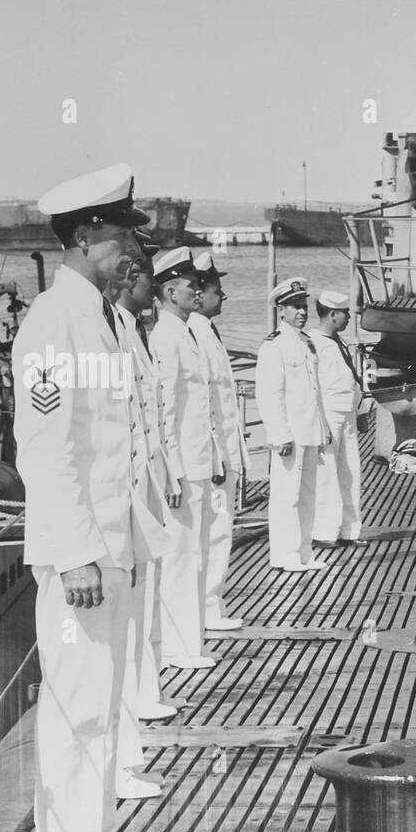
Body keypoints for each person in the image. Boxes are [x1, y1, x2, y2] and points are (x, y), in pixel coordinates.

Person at [12, 163, 167, 832]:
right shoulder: (52, 321)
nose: (127, 249)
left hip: (112, 548)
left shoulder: (104, 317)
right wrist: (75, 554)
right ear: (84, 237)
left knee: (102, 703)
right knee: (76, 705)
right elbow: (46, 451)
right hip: (80, 557)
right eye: (117, 235)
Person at [114, 235, 182, 786]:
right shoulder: (111, 332)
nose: (150, 290)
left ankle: (143, 694)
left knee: (144, 605)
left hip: (144, 489)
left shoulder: (136, 334)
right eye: (144, 279)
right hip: (122, 501)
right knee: (124, 620)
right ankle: (123, 746)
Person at [152, 247, 229, 669]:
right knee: (181, 560)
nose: (197, 292)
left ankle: (191, 643)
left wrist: (215, 460)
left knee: (195, 557)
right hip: (183, 469)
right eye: (189, 286)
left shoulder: (186, 333)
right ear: (169, 291)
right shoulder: (165, 337)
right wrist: (173, 474)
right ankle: (177, 649)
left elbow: (202, 408)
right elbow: (164, 413)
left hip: (200, 464)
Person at [255, 277, 332, 571]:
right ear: (281, 310)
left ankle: (303, 552)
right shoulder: (274, 346)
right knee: (287, 497)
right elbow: (269, 394)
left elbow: (315, 392)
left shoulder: (306, 342)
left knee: (308, 495)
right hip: (291, 434)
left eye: (304, 306)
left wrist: (323, 429)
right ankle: (284, 555)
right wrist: (279, 433)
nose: (302, 312)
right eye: (295, 307)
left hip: (310, 431)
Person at [189, 251, 248, 629]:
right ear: (200, 292)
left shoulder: (206, 330)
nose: (222, 295)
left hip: (224, 452)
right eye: (217, 289)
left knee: (219, 531)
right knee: (212, 533)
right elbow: (203, 403)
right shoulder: (195, 332)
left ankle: (212, 603)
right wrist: (215, 458)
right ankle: (207, 607)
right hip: (214, 456)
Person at [310, 291, 367, 547]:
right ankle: (324, 531)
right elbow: (313, 388)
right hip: (329, 414)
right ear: (332, 314)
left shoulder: (338, 341)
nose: (348, 318)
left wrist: (361, 410)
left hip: (347, 412)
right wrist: (319, 422)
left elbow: (351, 379)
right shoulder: (313, 342)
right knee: (327, 475)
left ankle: (349, 530)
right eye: (344, 313)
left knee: (350, 472)